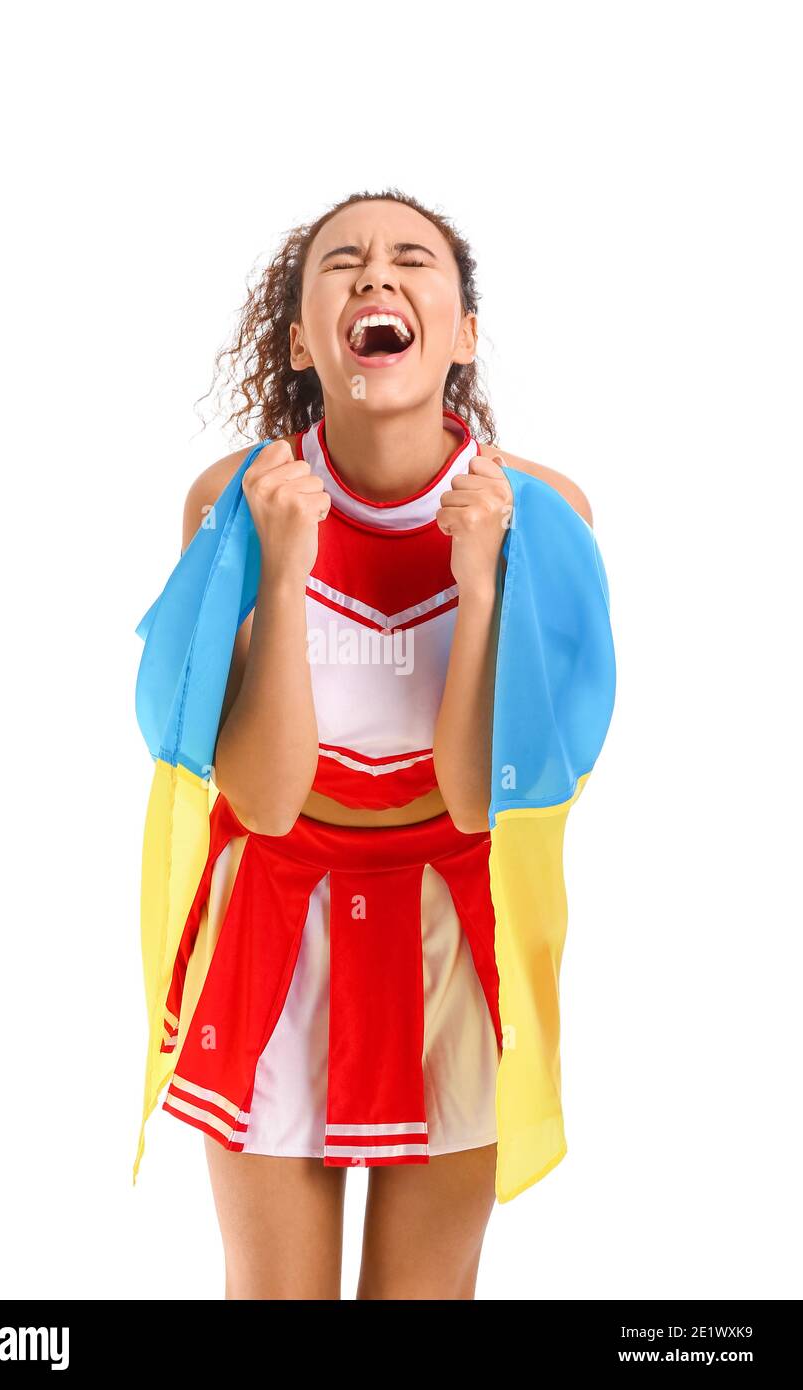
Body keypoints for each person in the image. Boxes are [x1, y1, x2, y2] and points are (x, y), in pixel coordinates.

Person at [163, 189, 592, 1300]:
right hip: (277, 912)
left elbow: (471, 801)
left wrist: (481, 587)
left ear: (462, 333)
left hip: (456, 922)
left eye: (414, 260)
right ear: (304, 340)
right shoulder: (234, 503)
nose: (377, 275)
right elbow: (258, 799)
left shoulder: (545, 514)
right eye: (342, 262)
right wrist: (289, 570)